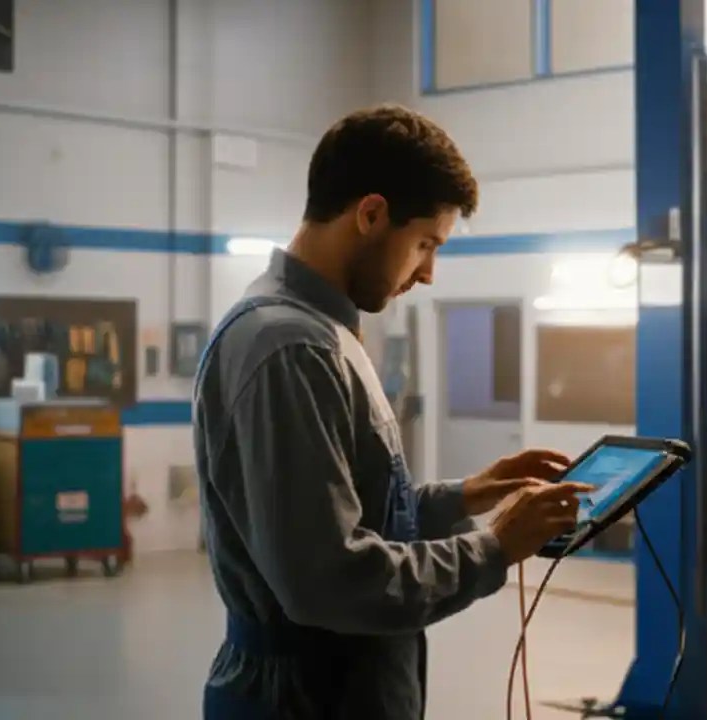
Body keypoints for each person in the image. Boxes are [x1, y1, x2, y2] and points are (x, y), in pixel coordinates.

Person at [193, 104, 591, 719]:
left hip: (343, 681)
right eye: (425, 243)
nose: (429, 272)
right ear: (372, 215)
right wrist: (493, 549)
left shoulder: (323, 331)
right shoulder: (290, 346)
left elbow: (352, 507)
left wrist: (465, 495)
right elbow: (329, 579)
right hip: (307, 698)